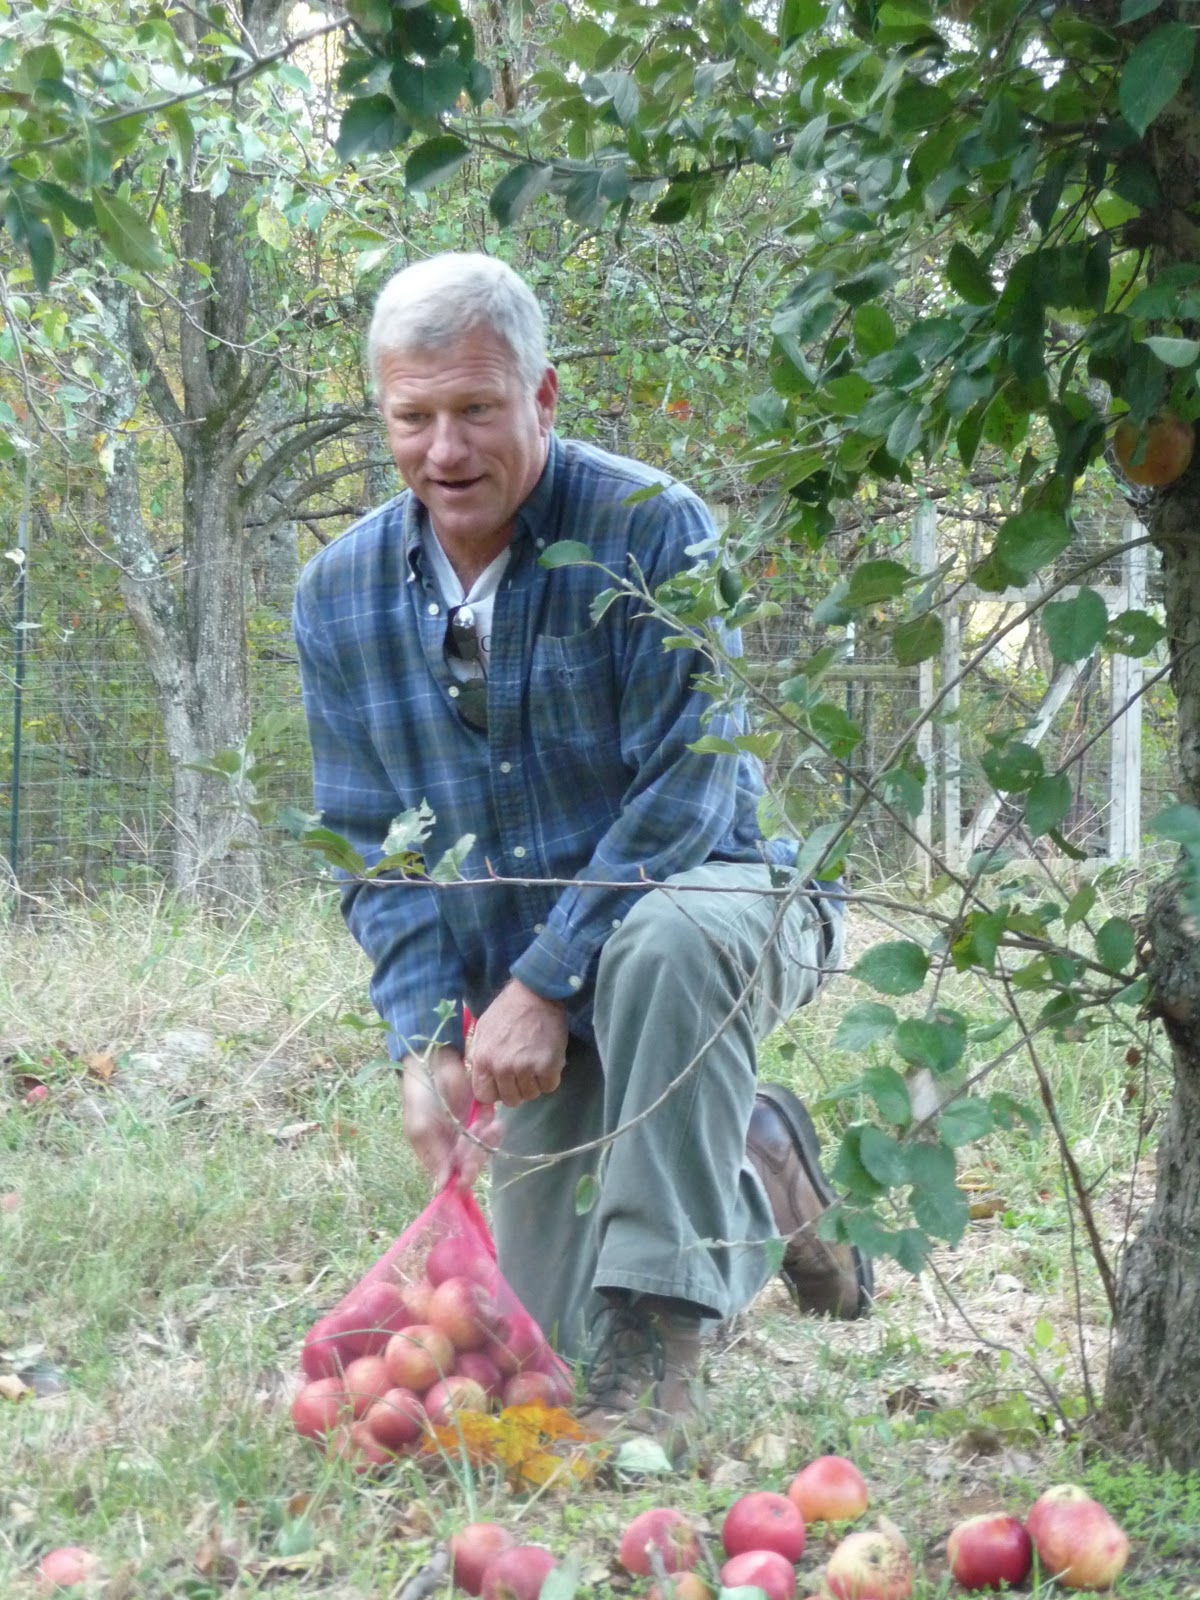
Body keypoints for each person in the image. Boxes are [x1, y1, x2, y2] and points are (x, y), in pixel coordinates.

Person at [293, 252, 871, 1456]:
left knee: (659, 945)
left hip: (715, 905)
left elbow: (690, 791)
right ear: (383, 414)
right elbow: (375, 852)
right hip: (528, 987)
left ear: (542, 397)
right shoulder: (337, 594)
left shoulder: (651, 527)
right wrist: (429, 1042)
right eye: (413, 418)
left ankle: (662, 1329)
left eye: (476, 410)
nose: (444, 448)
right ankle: (761, 1163)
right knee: (534, 1347)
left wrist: (548, 981)